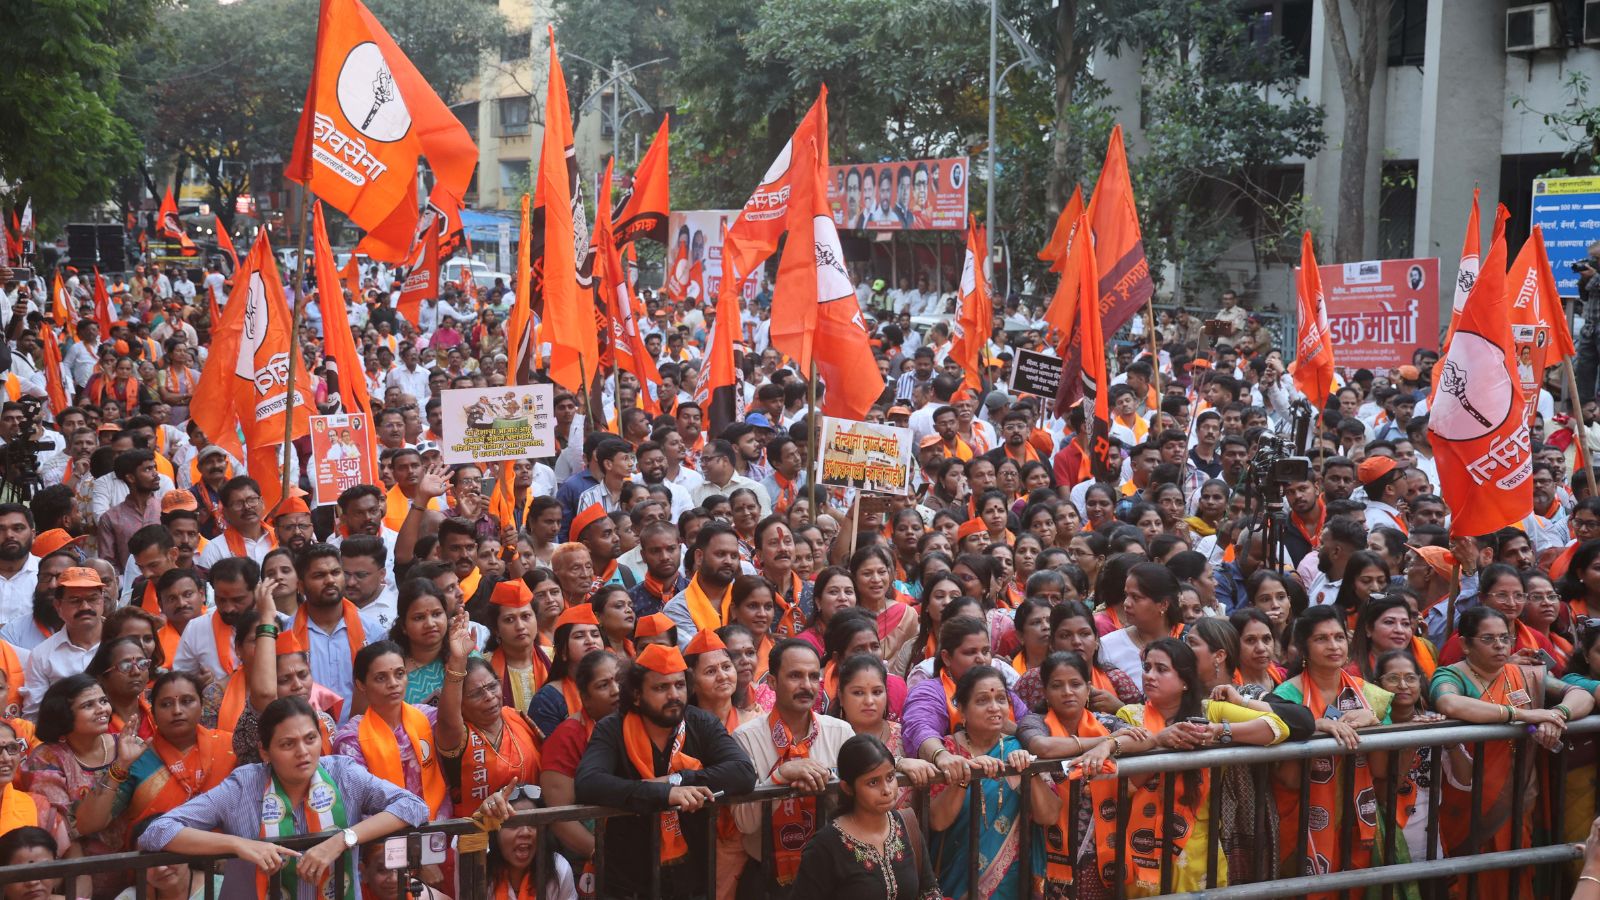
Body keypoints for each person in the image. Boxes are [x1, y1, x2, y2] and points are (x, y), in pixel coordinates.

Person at [137, 696, 429, 899]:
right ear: (265, 752)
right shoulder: (243, 786)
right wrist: (238, 845)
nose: (303, 752)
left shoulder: (343, 773)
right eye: (288, 744)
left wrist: (343, 839)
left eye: (310, 739)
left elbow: (413, 806)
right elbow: (157, 831)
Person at [1077, 638, 1288, 894]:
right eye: (1147, 667)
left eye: (1161, 669)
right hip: (1141, 847)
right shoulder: (1130, 715)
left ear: (1185, 681)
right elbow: (1124, 787)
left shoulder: (1210, 711)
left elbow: (1278, 727)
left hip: (1198, 846)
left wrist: (1219, 731)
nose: (1149, 676)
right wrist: (1159, 743)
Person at [1429, 607, 1595, 898]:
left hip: (1518, 794)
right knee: (1467, 877)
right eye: (1488, 639)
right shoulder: (1451, 675)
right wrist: (1523, 714)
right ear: (1465, 644)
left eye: (1505, 638)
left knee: (1515, 871)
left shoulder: (1525, 674)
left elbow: (1581, 695)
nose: (1499, 645)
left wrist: (1556, 714)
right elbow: (1450, 704)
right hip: (1467, 797)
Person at [573, 643, 757, 900]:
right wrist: (663, 794)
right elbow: (588, 782)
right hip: (627, 882)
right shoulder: (612, 728)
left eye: (679, 685)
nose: (674, 695)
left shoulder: (700, 722)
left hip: (692, 880)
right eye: (661, 688)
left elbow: (743, 772)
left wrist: (678, 780)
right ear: (636, 695)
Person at [1271, 606, 1396, 895]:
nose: (1333, 645)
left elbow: (1380, 769)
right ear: (1304, 648)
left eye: (1339, 637)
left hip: (1356, 817)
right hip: (1301, 818)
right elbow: (1288, 778)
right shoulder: (1284, 697)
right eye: (1321, 639)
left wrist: (1374, 723)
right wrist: (1313, 727)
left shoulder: (1370, 697)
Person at [730, 639, 854, 899]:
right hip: (766, 877)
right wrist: (779, 777)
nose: (807, 685)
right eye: (795, 676)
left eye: (813, 676)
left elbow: (859, 795)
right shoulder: (745, 738)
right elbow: (745, 823)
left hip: (833, 871)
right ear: (772, 682)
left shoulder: (840, 732)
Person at [926, 664, 1059, 899]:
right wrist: (966, 776)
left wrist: (1029, 773)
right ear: (962, 710)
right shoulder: (949, 753)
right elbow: (937, 821)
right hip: (955, 880)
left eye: (1000, 699)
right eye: (982, 700)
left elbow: (1049, 816)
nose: (995, 707)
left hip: (1011, 884)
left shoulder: (1020, 748)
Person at [1016, 651, 1130, 898]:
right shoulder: (1034, 723)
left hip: (1100, 846)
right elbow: (1043, 747)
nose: (1067, 692)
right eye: (1057, 686)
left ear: (1088, 689)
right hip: (1047, 845)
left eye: (1075, 684)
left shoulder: (1106, 722)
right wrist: (1103, 741)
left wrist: (1109, 746)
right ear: (1045, 692)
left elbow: (1145, 738)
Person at [788, 734, 943, 900]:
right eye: (873, 782)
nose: (887, 790)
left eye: (890, 777)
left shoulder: (905, 824)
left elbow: (929, 890)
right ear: (848, 788)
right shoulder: (824, 846)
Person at [436, 609, 540, 818]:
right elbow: (447, 721)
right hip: (477, 832)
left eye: (492, 686)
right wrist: (457, 661)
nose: (489, 697)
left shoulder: (517, 718)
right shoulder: (458, 736)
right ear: (460, 703)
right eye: (476, 694)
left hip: (530, 825)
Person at [332, 640, 450, 823]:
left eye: (399, 674)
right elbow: (356, 803)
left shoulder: (427, 717)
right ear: (361, 685)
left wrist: (457, 667)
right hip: (382, 835)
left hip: (438, 828)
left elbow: (454, 729)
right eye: (381, 678)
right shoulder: (352, 739)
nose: (393, 683)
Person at [112, 670, 235, 832]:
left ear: (202, 706)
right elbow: (93, 822)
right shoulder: (137, 757)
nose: (177, 710)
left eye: (187, 701)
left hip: (226, 846)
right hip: (156, 847)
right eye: (166, 704)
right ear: (153, 713)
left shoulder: (230, 746)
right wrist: (121, 765)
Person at [485, 784, 577, 899]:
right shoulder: (479, 867)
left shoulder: (559, 868)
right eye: (514, 823)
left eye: (533, 823)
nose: (525, 832)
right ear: (495, 831)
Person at [527, 606, 605, 739]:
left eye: (595, 635)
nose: (590, 641)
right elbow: (551, 748)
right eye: (579, 636)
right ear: (563, 651)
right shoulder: (547, 699)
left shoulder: (617, 685)